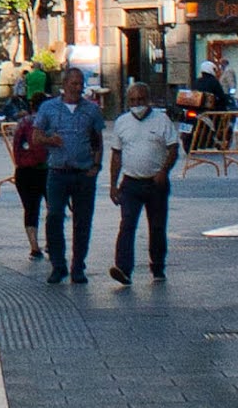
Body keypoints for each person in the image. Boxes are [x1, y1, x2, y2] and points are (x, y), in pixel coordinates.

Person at [34, 66, 105, 283]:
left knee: (82, 221)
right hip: (58, 172)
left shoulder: (91, 110)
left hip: (83, 173)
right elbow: (36, 136)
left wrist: (96, 165)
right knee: (54, 216)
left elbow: (98, 140)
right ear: (64, 85)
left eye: (80, 84)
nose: (77, 88)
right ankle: (58, 264)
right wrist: (50, 140)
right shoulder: (48, 108)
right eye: (73, 83)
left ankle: (78, 266)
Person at [107, 82, 180, 284]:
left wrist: (164, 171)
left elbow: (173, 149)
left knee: (157, 226)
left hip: (156, 183)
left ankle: (157, 267)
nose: (137, 104)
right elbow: (116, 155)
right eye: (132, 100)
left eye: (140, 100)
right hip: (131, 183)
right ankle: (123, 268)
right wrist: (113, 184)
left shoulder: (162, 120)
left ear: (148, 100)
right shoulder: (122, 122)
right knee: (127, 225)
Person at [10, 94, 52, 260]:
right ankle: (50, 242)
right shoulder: (47, 123)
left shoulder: (22, 123)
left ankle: (34, 247)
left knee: (30, 209)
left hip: (23, 171)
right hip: (46, 170)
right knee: (53, 208)